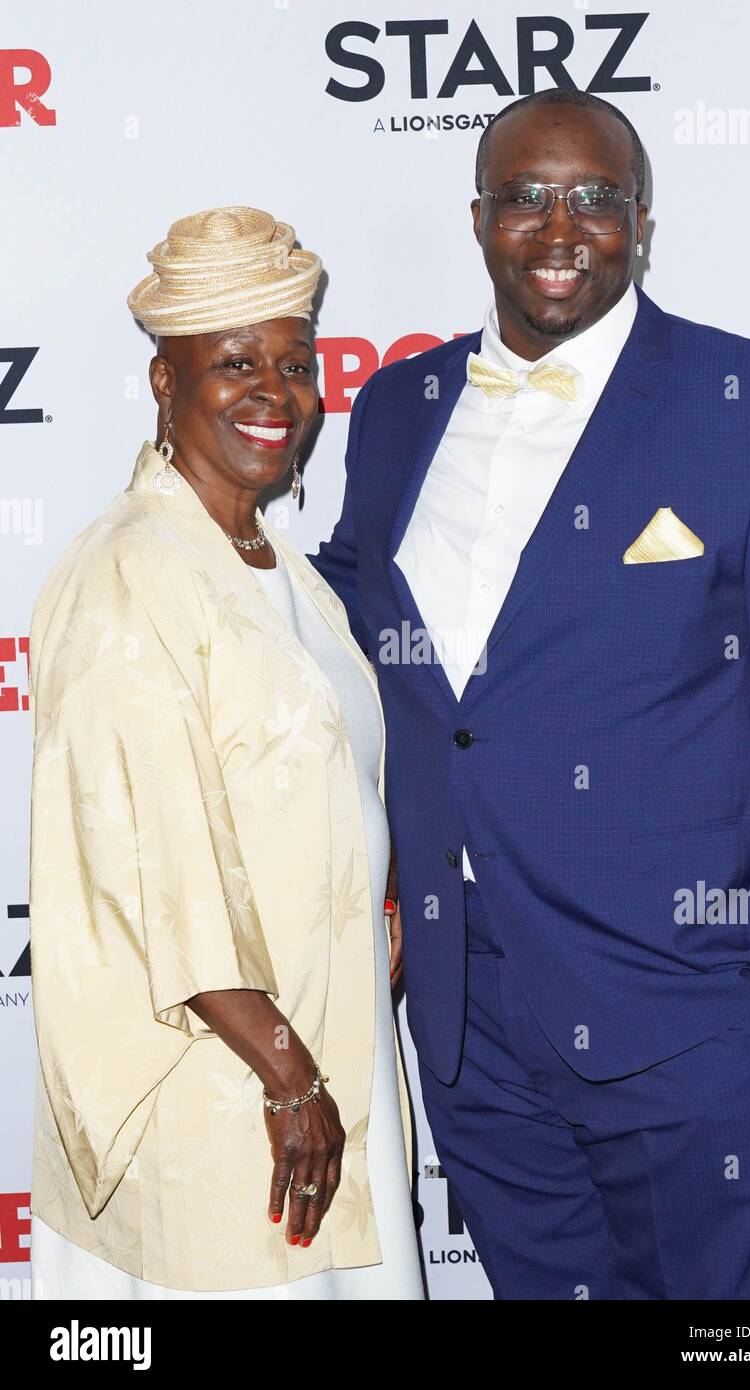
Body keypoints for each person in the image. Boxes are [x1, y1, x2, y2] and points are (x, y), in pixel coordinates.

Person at [311, 89, 750, 1299]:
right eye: (523, 196)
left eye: (593, 198)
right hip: (465, 1015)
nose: (558, 228)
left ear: (640, 220)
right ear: (476, 219)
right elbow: (345, 612)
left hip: (687, 1008)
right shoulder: (397, 410)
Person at [28, 205, 423, 1300]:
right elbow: (150, 862)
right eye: (236, 363)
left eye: (295, 364)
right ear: (166, 382)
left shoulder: (278, 566)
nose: (276, 393)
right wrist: (288, 1078)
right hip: (221, 1081)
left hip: (326, 1043)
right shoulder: (129, 569)